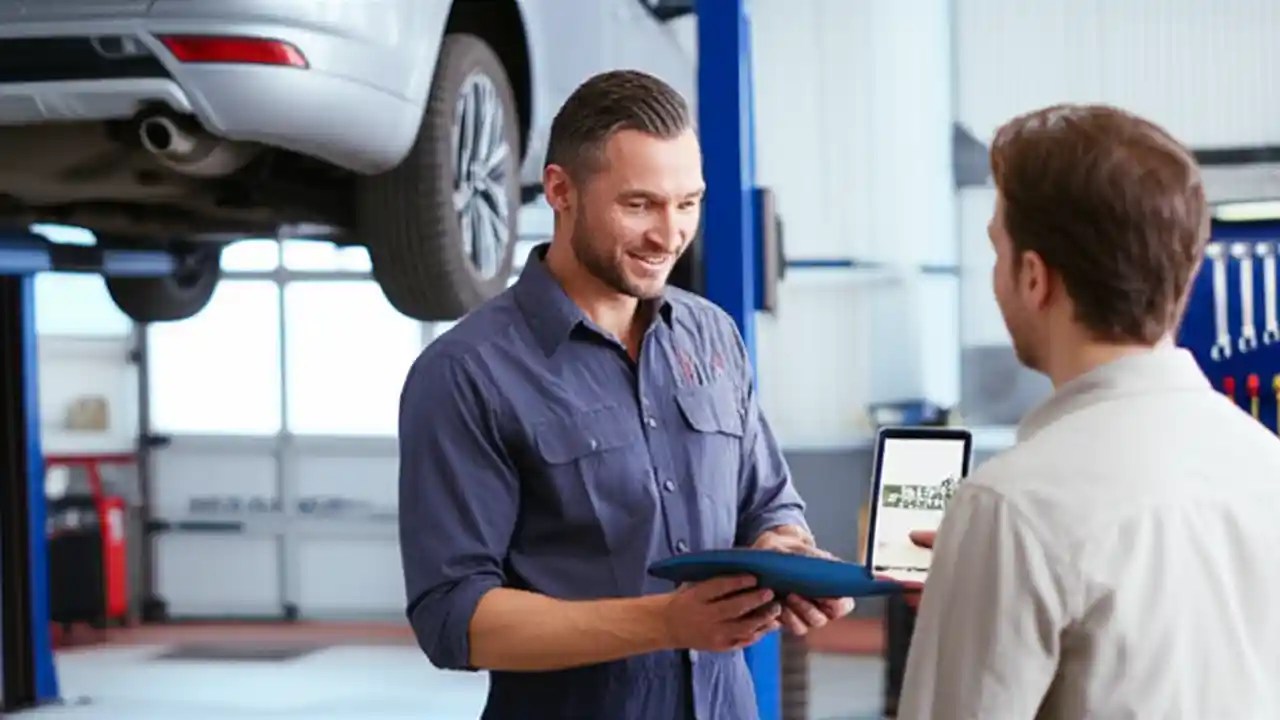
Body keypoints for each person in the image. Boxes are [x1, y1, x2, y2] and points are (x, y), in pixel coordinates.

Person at [396, 69, 853, 720]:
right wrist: (666, 623)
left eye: (688, 203)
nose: (669, 235)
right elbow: (452, 615)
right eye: (640, 205)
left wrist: (786, 554)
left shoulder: (712, 336)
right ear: (561, 191)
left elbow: (766, 501)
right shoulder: (467, 373)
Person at [896, 103, 1280, 719]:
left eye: (998, 248)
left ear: (1032, 276)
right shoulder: (1266, 465)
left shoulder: (1012, 506)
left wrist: (1001, 552)